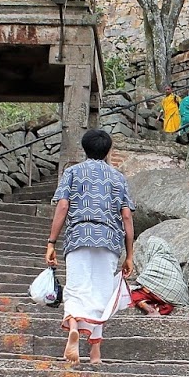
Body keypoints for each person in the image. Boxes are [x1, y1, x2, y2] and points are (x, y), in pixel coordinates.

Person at [45, 129, 134, 364]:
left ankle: (73, 325)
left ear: (85, 148)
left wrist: (51, 242)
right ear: (107, 151)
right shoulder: (118, 178)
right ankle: (95, 352)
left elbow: (62, 207)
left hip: (78, 236)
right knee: (100, 294)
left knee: (76, 288)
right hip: (109, 239)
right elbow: (126, 217)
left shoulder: (72, 172)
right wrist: (130, 255)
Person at [127, 239, 188, 316]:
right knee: (169, 305)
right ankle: (159, 310)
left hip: (155, 293)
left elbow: (144, 280)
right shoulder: (173, 262)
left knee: (133, 294)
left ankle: (148, 308)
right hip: (175, 297)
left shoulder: (155, 260)